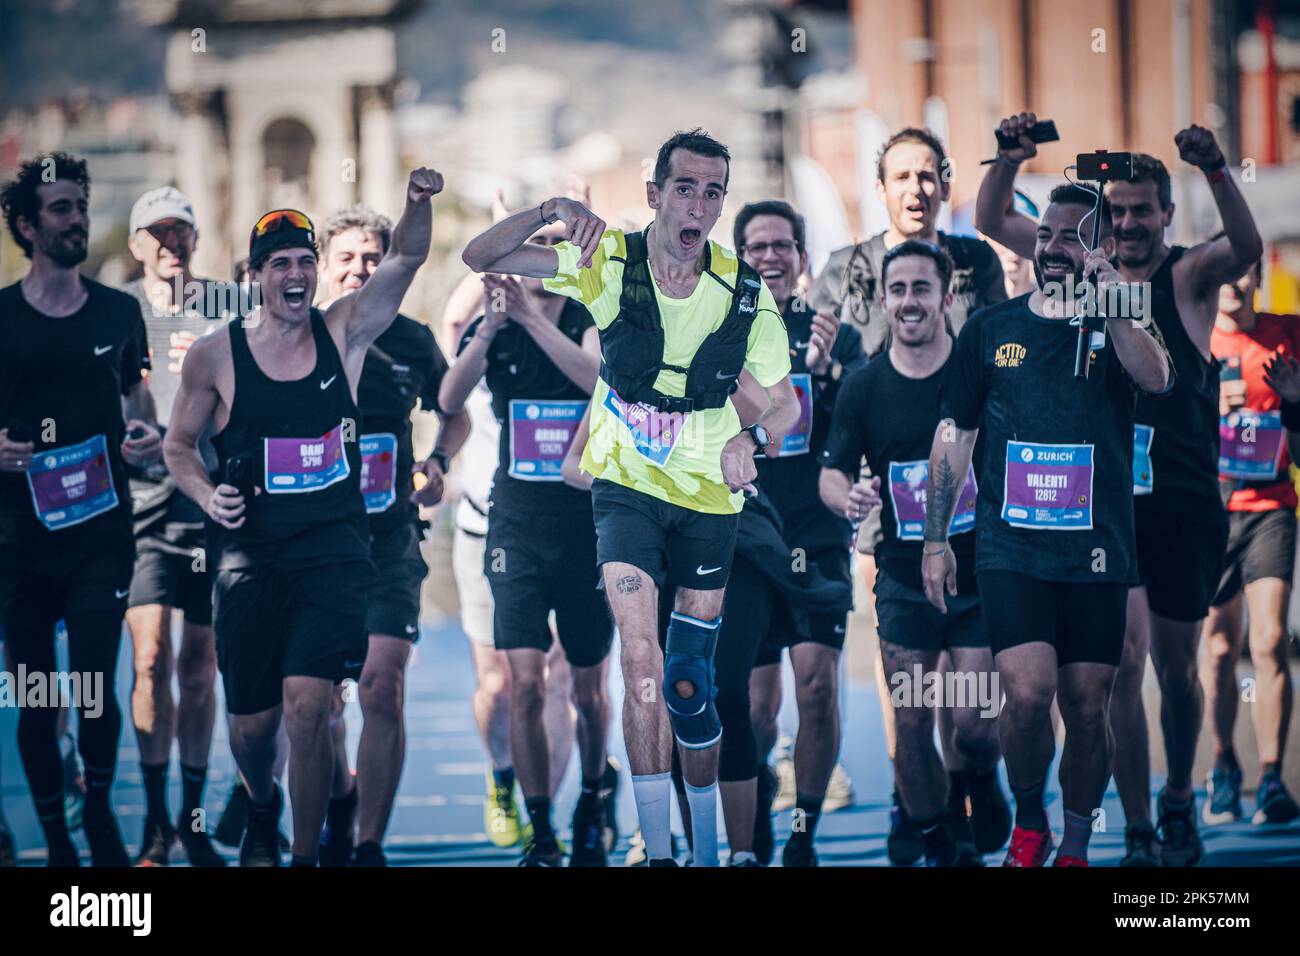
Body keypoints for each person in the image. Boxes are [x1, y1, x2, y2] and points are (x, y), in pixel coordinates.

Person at [462, 128, 798, 867]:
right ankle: (660, 849)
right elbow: (480, 258)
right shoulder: (606, 259)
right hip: (625, 490)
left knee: (687, 681)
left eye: (714, 191)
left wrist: (755, 441)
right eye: (686, 188)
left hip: (709, 498)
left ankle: (708, 851)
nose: (700, 205)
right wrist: (548, 210)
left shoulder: (743, 292)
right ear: (654, 194)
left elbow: (784, 403)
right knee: (640, 662)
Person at [977, 113, 1263, 865]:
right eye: (1121, 211)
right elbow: (995, 218)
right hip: (1101, 512)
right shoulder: (1068, 263)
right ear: (1101, 226)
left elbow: (1248, 248)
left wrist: (1217, 171)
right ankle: (1135, 823)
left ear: (1166, 215)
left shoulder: (1186, 278)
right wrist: (1010, 160)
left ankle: (1180, 797)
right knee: (1121, 669)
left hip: (1180, 501)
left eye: (1144, 209)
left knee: (1178, 672)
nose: (1132, 222)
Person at [163, 167, 441, 866]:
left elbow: (407, 258)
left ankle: (309, 856)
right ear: (255, 276)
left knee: (310, 708)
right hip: (249, 559)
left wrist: (415, 204)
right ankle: (262, 806)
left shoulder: (343, 333)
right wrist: (204, 494)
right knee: (255, 726)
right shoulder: (214, 355)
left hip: (333, 552)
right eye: (280, 263)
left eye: (304, 262)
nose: (296, 274)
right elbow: (178, 446)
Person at [924, 184, 1172, 867]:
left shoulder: (1122, 312)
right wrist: (937, 538)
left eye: (1070, 236)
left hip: (1097, 549)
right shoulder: (992, 329)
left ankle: (1079, 841)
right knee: (1029, 693)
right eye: (1045, 236)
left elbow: (1156, 378)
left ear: (1098, 246)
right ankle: (1029, 822)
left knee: (1089, 704)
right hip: (1012, 547)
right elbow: (954, 434)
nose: (1053, 247)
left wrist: (1110, 297)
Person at [809, 127, 1010, 863]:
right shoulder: (845, 268)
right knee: (911, 694)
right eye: (902, 176)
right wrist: (846, 488)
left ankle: (970, 779)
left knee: (973, 709)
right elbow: (821, 380)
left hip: (974, 519)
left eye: (929, 176)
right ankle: (917, 807)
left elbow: (1003, 351)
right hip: (884, 500)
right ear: (882, 186)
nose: (917, 189)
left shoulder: (975, 262)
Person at [1, 152, 163, 866]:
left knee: (96, 686)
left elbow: (138, 405)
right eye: (61, 209)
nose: (76, 220)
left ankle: (98, 811)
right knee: (38, 698)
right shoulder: (1, 316)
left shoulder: (120, 312)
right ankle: (58, 838)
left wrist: (147, 437)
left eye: (80, 206)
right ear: (28, 227)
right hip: (17, 540)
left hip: (101, 531)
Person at [442, 221, 615, 867]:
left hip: (588, 524)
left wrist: (533, 319)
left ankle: (597, 791)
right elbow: (448, 396)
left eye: (553, 256)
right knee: (524, 683)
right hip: (516, 523)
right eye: (528, 257)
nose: (537, 268)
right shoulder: (500, 326)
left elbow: (597, 381)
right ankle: (542, 831)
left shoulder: (590, 314)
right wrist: (488, 328)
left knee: (590, 688)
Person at [311, 205, 469, 867]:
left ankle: (369, 844)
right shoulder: (297, 336)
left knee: (381, 685)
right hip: (311, 546)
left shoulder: (409, 337)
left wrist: (435, 463)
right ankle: (335, 803)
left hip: (389, 539)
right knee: (314, 701)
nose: (360, 270)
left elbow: (451, 412)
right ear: (323, 265)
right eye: (346, 258)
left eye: (372, 258)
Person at [730, 200, 865, 866]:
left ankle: (804, 833)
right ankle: (751, 823)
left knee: (816, 687)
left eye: (783, 246)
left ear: (802, 259)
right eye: (756, 248)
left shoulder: (836, 336)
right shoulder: (719, 332)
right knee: (756, 706)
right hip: (747, 539)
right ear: (738, 261)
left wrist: (829, 375)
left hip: (818, 535)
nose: (770, 257)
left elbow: (856, 430)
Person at [119, 186, 234, 867]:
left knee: (200, 666)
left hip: (208, 502)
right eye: (155, 233)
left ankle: (191, 821)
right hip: (140, 508)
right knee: (151, 657)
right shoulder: (116, 311)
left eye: (180, 230)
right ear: (135, 245)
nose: (169, 243)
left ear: (195, 237)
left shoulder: (226, 306)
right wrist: (118, 435)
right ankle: (155, 823)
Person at [1201, 263, 1300, 827]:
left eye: (1243, 273)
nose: (1232, 284)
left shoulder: (1287, 333)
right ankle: (1223, 764)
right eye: (1224, 273)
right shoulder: (1194, 334)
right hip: (1211, 513)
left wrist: (1295, 401)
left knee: (1267, 642)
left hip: (1270, 509)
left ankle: (1270, 777)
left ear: (1258, 277)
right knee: (1218, 647)